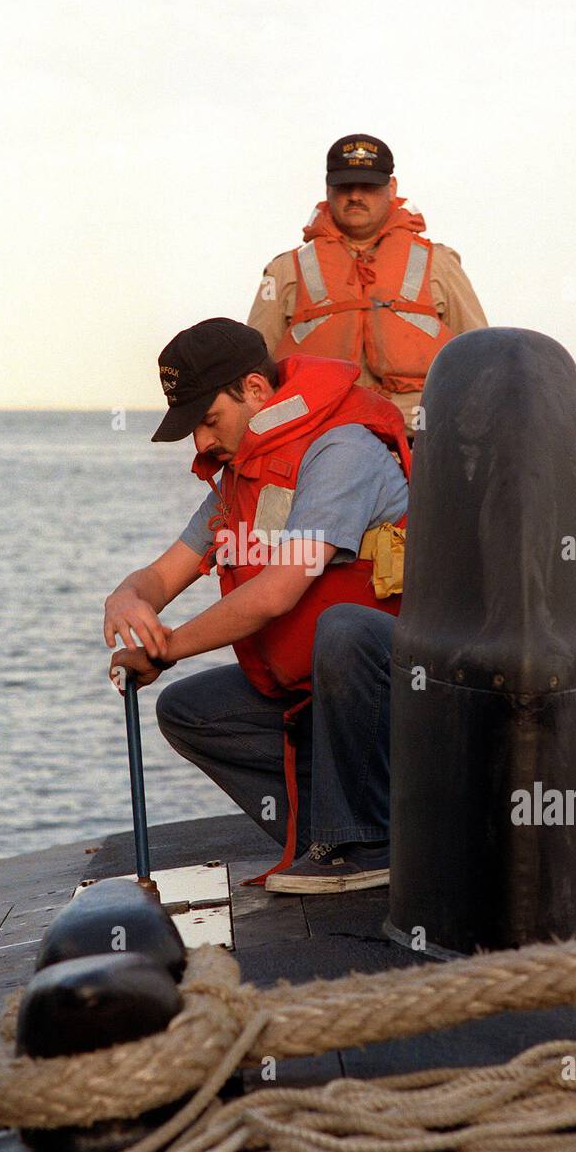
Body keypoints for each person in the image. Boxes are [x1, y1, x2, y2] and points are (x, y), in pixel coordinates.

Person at [105, 317, 409, 893]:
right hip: (317, 696)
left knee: (342, 629)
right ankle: (324, 833)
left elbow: (277, 593)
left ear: (255, 391)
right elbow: (162, 574)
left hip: (401, 690)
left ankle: (372, 840)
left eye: (208, 421)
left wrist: (165, 647)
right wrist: (126, 599)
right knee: (187, 710)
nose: (201, 444)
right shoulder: (240, 477)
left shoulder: (340, 449)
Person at [247, 134, 487, 439]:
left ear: (392, 188)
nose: (356, 196)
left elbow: (480, 356)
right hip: (320, 437)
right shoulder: (283, 271)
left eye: (368, 187)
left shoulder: (440, 263)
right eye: (345, 187)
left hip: (422, 435)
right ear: (328, 189)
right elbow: (252, 376)